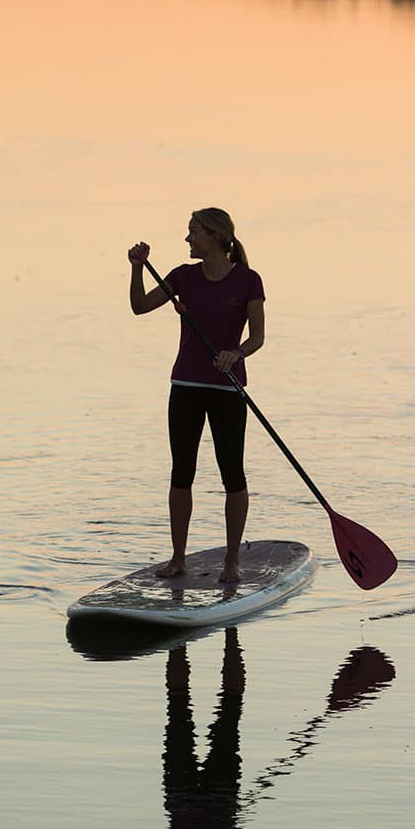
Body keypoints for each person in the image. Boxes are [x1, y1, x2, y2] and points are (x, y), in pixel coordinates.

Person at [128, 207, 265, 583]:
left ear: (216, 237)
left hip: (227, 389)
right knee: (181, 472)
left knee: (232, 475)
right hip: (186, 387)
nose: (188, 239)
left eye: (194, 232)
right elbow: (139, 307)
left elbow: (257, 338)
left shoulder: (248, 281)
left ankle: (232, 561)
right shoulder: (182, 277)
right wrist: (138, 267)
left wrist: (235, 353)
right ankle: (177, 558)